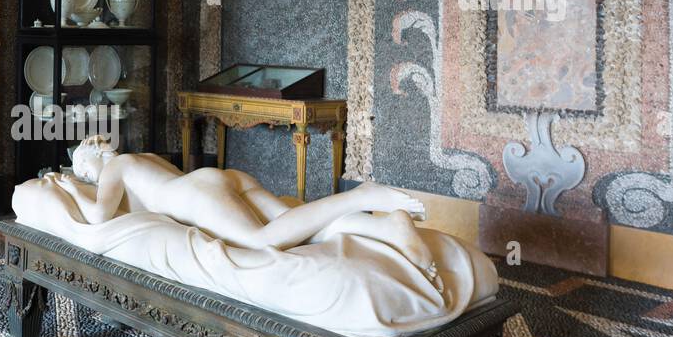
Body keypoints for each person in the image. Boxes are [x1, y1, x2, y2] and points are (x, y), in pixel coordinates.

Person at [47, 135, 439, 282]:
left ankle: (361, 196)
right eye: (85, 177)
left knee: (262, 240)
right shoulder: (141, 156)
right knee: (298, 226)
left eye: (86, 170)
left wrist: (71, 188)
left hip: (199, 198)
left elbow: (98, 215)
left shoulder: (115, 166)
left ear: (96, 155)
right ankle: (389, 228)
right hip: (220, 178)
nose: (90, 178)